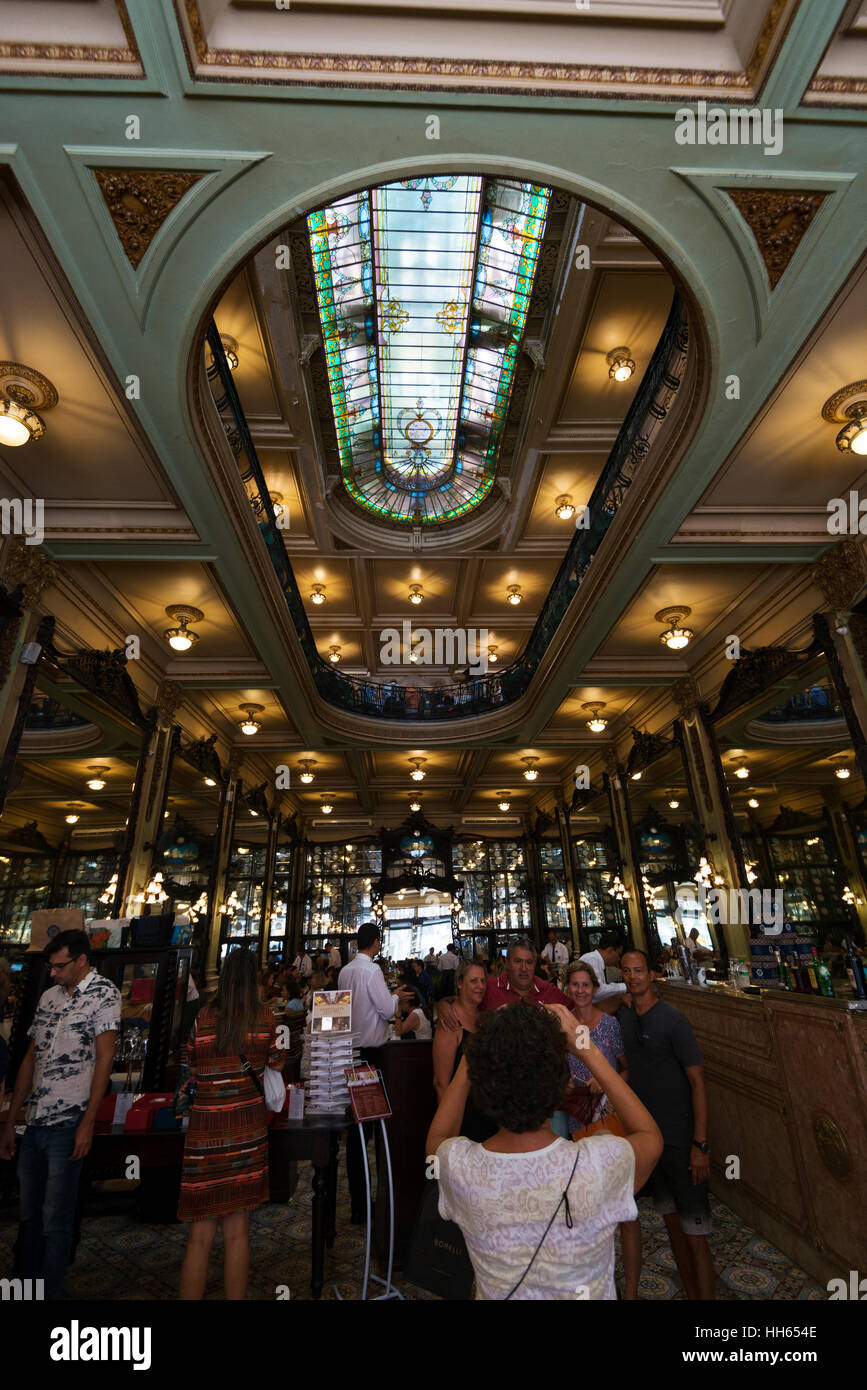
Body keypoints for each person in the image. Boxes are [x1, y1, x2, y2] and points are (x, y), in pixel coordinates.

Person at [426, 1002, 662, 1300]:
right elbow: (650, 1136)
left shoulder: (463, 1168)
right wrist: (586, 1048)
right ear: (563, 1083)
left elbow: (438, 1136)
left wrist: (474, 1053)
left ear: (482, 1082)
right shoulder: (598, 1164)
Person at [0, 930, 120, 1300]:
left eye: (59, 966)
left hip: (70, 1117)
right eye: (51, 966)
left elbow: (104, 1061)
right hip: (36, 1119)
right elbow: (30, 1058)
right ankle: (27, 1290)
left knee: (56, 1219)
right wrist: (11, 1119)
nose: (53, 973)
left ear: (82, 960)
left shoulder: (104, 994)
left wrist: (88, 1121)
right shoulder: (49, 997)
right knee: (29, 1214)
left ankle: (48, 1293)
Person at [178, 947, 284, 1300]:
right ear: (255, 977)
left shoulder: (202, 1018)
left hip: (205, 1130)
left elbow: (192, 1067)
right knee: (238, 1231)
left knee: (199, 1234)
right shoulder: (265, 1019)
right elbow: (278, 1063)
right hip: (246, 1130)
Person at [618, 949, 716, 1300]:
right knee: (671, 1224)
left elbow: (697, 1082)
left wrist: (700, 1144)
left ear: (652, 974)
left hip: (681, 1139)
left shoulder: (674, 1020)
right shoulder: (625, 1018)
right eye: (627, 972)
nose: (633, 977)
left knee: (696, 1233)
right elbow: (588, 1008)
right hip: (650, 1142)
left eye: (639, 971)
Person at [560, 961, 641, 1299]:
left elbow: (627, 1070)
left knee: (625, 1205)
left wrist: (604, 1079)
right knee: (588, 1207)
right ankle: (595, 1283)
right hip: (578, 1121)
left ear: (594, 988)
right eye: (574, 985)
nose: (580, 991)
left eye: (585, 985)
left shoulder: (608, 1026)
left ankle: (632, 1290)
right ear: (567, 988)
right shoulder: (563, 1029)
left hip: (609, 1117)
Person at [338, 924, 414, 1221]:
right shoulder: (371, 972)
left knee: (357, 1132)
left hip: (350, 1054)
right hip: (373, 1057)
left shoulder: (345, 972)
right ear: (376, 942)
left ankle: (359, 1204)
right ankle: (383, 1199)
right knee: (380, 1128)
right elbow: (385, 1010)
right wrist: (395, 997)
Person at [432, 960, 495, 1142]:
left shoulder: (482, 1017)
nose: (480, 986)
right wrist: (449, 1135)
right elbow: (441, 1083)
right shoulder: (450, 1022)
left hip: (486, 1113)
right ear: (459, 984)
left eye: (483, 981)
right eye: (474, 981)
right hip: (461, 1116)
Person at [579, 932, 627, 1006]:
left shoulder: (596, 960)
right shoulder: (592, 960)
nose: (618, 959)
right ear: (610, 950)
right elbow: (597, 990)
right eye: (618, 954)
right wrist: (626, 986)